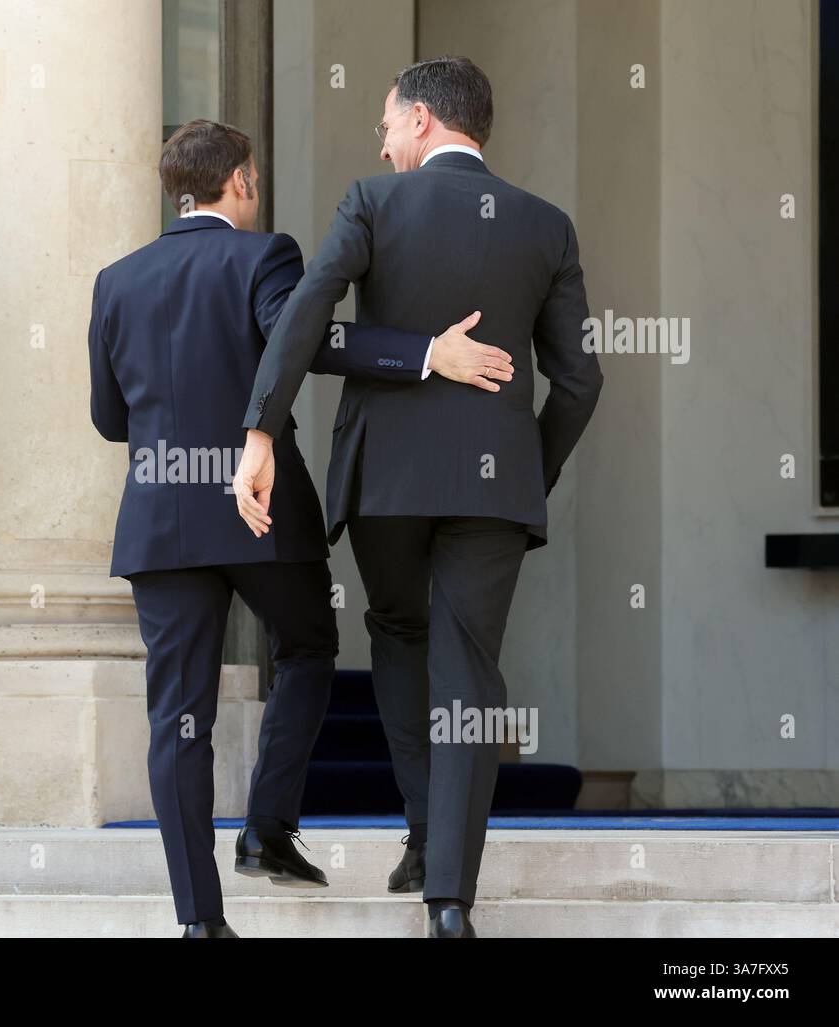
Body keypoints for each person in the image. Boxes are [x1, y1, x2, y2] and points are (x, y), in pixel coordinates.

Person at [88, 118, 515, 937]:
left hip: (159, 522)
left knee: (178, 718)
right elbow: (310, 337)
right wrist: (427, 353)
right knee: (310, 646)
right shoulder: (264, 255)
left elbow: (110, 418)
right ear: (241, 181)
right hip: (259, 516)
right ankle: (266, 827)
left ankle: (198, 920)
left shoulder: (117, 278)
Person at [233, 55, 604, 937]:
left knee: (399, 637)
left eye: (390, 122)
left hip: (389, 480)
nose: (384, 138)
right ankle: (449, 897)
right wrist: (528, 467)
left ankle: (422, 834)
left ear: (427, 121)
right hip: (493, 490)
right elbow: (582, 381)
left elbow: (306, 316)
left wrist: (258, 429)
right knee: (470, 670)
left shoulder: (371, 201)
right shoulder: (545, 224)